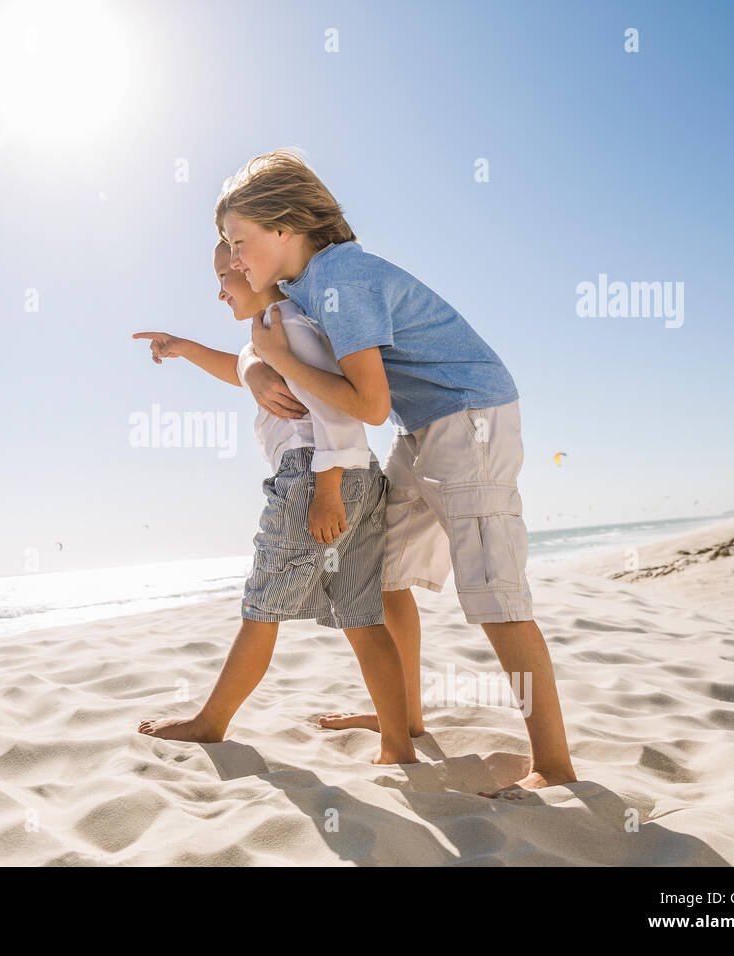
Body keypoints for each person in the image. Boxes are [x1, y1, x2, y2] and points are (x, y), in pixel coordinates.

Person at [217, 149, 577, 799]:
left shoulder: (340, 281)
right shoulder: (309, 288)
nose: (235, 259)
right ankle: (406, 714)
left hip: (472, 419)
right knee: (383, 570)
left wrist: (276, 359)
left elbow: (369, 405)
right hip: (426, 428)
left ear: (284, 227)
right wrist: (257, 365)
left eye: (239, 242)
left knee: (494, 591)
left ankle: (554, 763)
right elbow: (265, 350)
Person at [131, 240, 417, 766]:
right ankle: (398, 749)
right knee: (362, 616)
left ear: (256, 267)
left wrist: (326, 489)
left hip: (316, 475)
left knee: (260, 609)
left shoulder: (286, 322)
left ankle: (210, 723)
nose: (221, 287)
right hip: (357, 476)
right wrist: (184, 347)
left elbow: (334, 408)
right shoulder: (274, 329)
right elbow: (242, 371)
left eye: (228, 272)